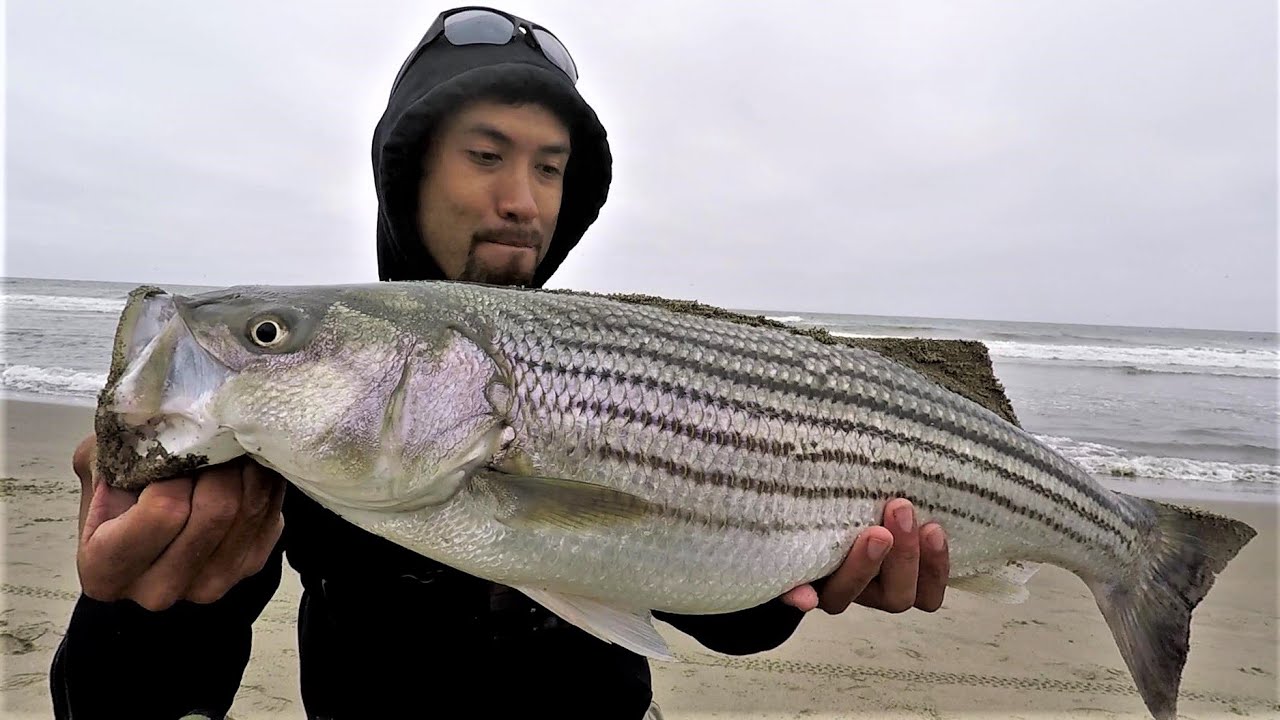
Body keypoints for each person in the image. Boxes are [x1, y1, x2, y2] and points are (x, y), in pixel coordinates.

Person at [49, 7, 950, 719]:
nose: (522, 201)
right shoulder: (303, 413)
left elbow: (714, 615)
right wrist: (145, 608)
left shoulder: (617, 366)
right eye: (486, 156)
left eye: (552, 170)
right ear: (408, 173)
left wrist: (797, 575)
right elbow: (121, 706)